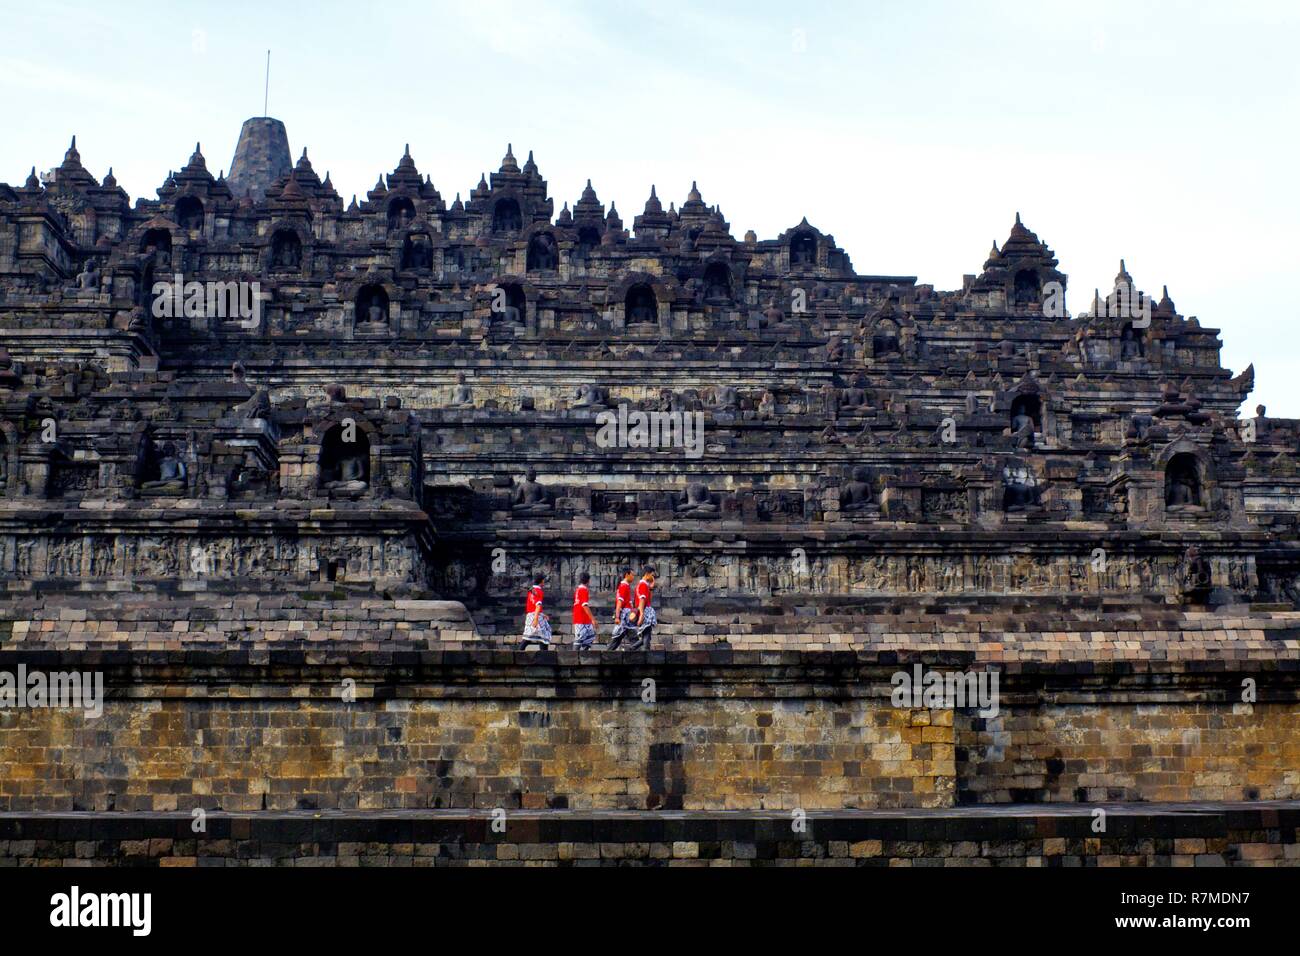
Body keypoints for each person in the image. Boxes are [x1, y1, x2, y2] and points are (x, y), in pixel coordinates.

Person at [628, 565, 657, 650]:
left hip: (645, 611)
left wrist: (651, 588)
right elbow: (642, 600)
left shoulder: (644, 585)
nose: (653, 577)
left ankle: (632, 648)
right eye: (652, 575)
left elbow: (648, 600)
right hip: (644, 612)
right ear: (647, 574)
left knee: (646, 634)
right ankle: (645, 653)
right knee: (646, 635)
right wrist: (641, 615)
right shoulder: (643, 585)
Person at [607, 567, 636, 650]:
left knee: (627, 637)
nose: (633, 577)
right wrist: (617, 617)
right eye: (632, 575)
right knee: (618, 638)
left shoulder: (625, 586)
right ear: (627, 575)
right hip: (624, 616)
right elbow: (619, 602)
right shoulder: (623, 586)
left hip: (627, 617)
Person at [521, 573, 551, 647]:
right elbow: (538, 605)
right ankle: (544, 655)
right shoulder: (538, 591)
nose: (544, 581)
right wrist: (536, 619)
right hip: (535, 616)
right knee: (544, 635)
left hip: (530, 615)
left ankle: (519, 651)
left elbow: (533, 604)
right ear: (541, 581)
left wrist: (543, 614)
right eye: (543, 580)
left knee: (528, 637)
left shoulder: (532, 590)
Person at [572, 572, 596, 649]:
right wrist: (593, 619)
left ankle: (584, 655)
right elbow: (585, 605)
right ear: (588, 581)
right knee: (579, 639)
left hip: (585, 619)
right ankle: (573, 657)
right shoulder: (583, 590)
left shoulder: (580, 589)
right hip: (581, 619)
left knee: (590, 637)